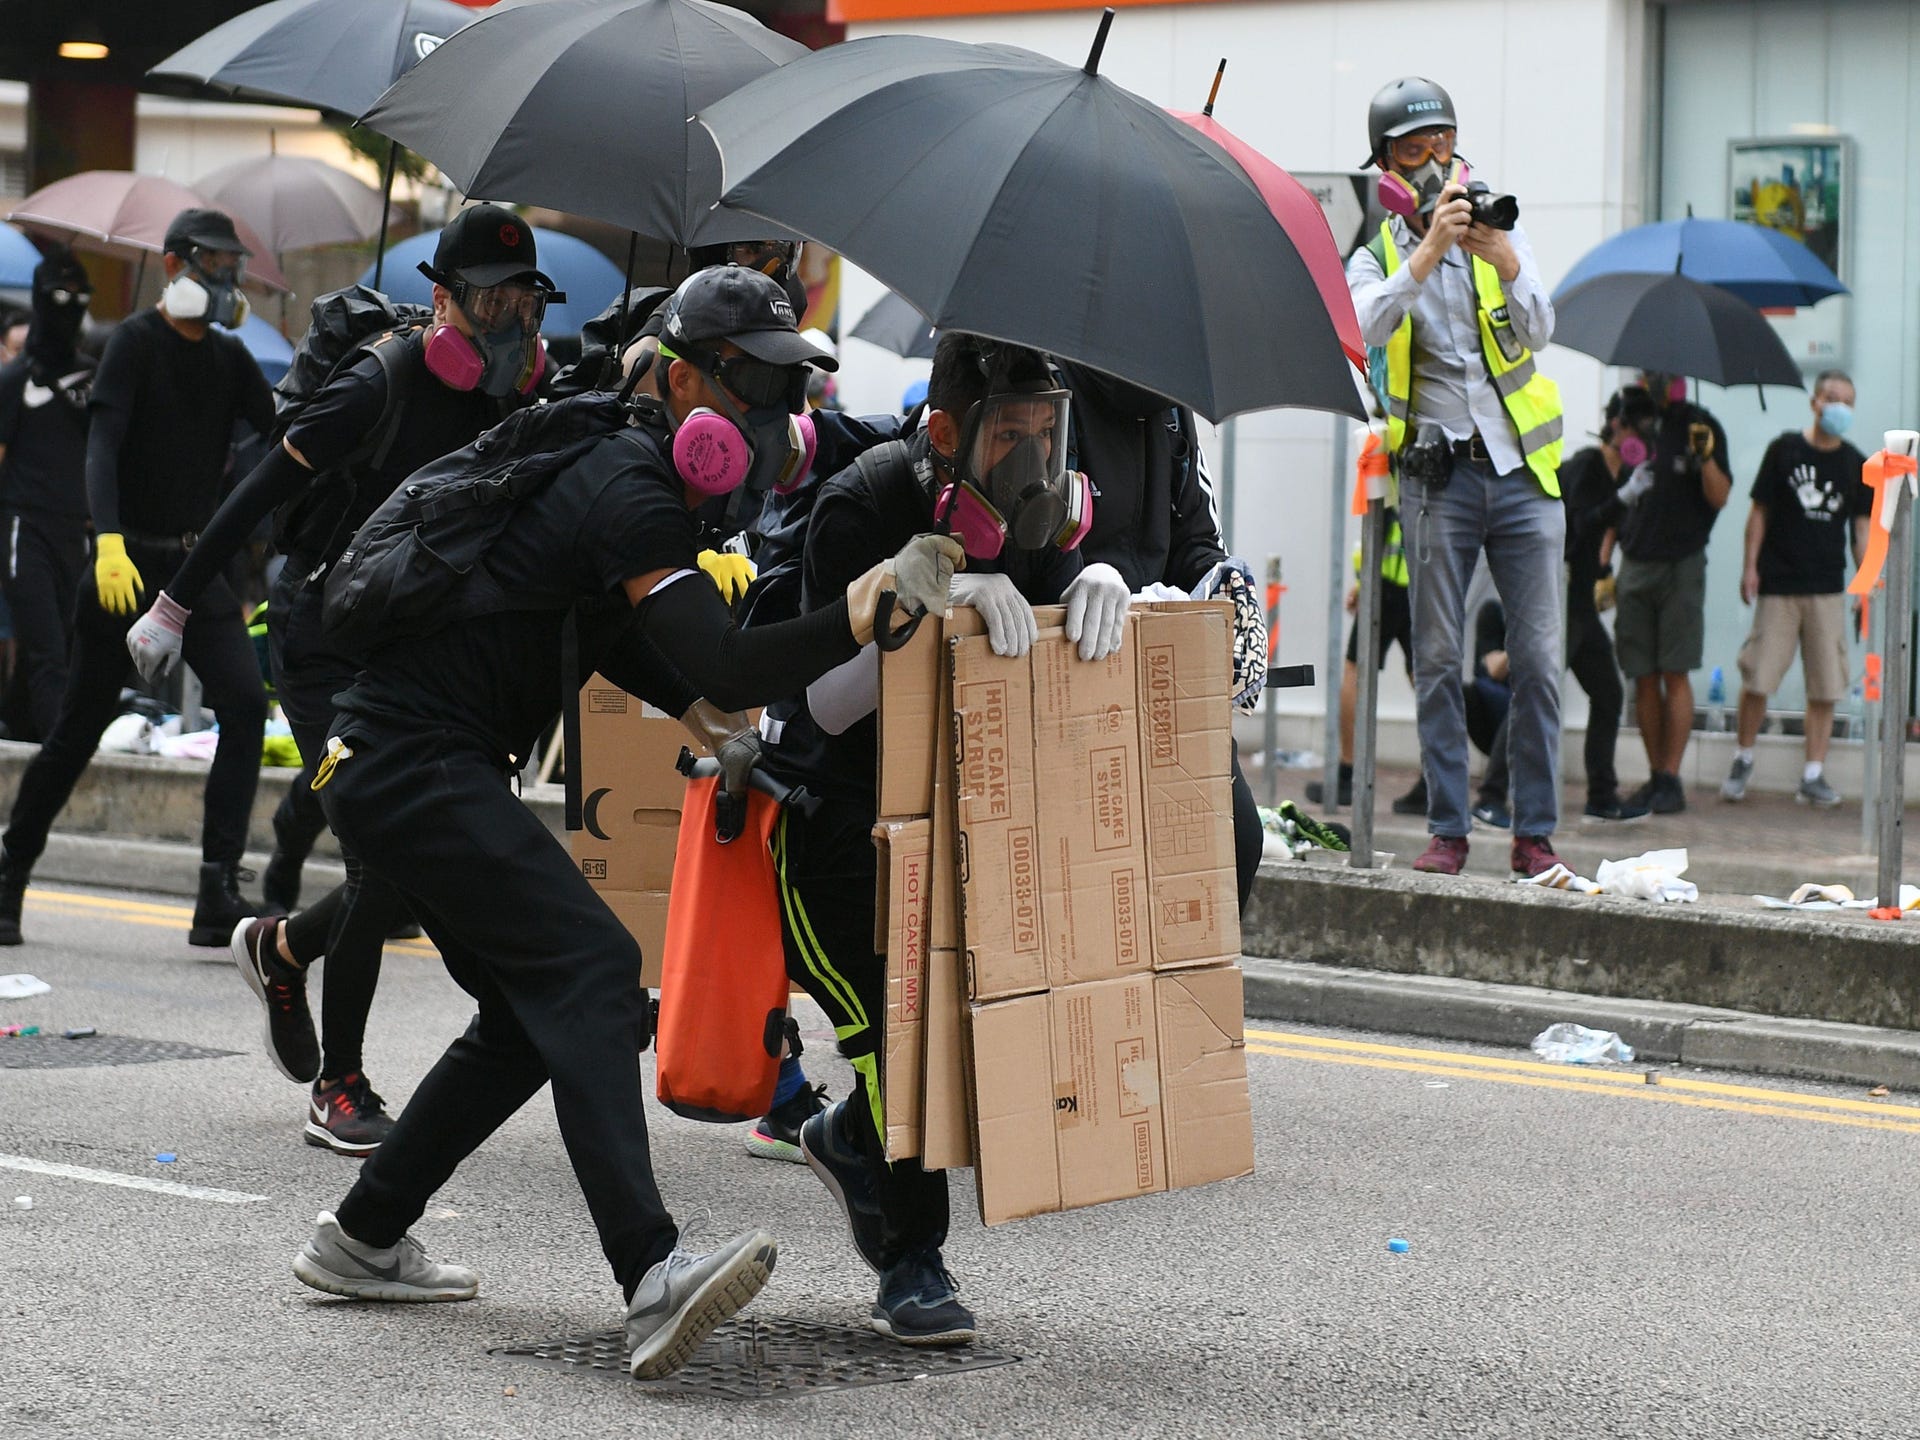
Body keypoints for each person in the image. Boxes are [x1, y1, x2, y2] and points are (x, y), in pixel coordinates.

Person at [283, 263, 963, 1380]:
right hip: (412, 762)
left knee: (520, 1018)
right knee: (597, 969)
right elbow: (730, 651)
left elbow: (596, 627)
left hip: (403, 763)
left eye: (790, 392)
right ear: (687, 380)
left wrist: (698, 709)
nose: (775, 418)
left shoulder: (618, 460)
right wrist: (852, 610)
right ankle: (651, 1275)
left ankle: (361, 1236)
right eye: (752, 388)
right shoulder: (631, 480)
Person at [126, 205, 556, 1154]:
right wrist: (176, 604)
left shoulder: (528, 395)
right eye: (491, 300)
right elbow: (257, 494)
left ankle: (283, 950)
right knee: (382, 856)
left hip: (422, 647)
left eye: (526, 301)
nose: (510, 321)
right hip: (324, 635)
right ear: (443, 300)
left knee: (418, 866)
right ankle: (340, 1086)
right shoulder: (382, 383)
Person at [763, 333, 1126, 1347]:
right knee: (897, 1032)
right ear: (944, 431)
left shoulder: (1037, 517)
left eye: (1046, 433)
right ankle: (913, 1262)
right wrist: (929, 603)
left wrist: (1104, 578)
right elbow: (826, 708)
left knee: (974, 1032)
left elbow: (1053, 645)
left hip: (953, 820)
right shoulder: (863, 501)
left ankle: (844, 1143)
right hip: (830, 823)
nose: (1031, 456)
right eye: (1009, 433)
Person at [0, 209, 274, 947]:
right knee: (77, 731)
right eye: (212, 264)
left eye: (231, 265)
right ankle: (10, 871)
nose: (225, 279)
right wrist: (110, 542)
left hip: (196, 566)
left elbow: (279, 435)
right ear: (173, 265)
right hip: (126, 569)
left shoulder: (228, 357)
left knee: (246, 705)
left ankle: (217, 889)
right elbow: (102, 449)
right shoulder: (132, 344)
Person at [1345, 77, 1567, 878]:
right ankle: (1448, 828)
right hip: (1437, 480)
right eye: (1416, 148)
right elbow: (1361, 326)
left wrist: (1503, 259)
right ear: (1388, 167)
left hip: (1522, 474)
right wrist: (1428, 251)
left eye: (1443, 141)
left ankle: (1534, 832)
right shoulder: (1377, 252)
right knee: (1437, 660)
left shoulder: (1498, 227)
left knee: (1540, 658)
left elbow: (1542, 328)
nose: (1437, 159)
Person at [1057, 359, 1265, 909]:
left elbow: (1195, 536)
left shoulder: (1172, 407)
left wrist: (1222, 579)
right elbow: (1030, 536)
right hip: (1066, 655)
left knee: (1238, 833)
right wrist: (1085, 576)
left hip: (1157, 666)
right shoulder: (1048, 385)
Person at [1475, 387, 1654, 826]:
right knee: (1533, 689)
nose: (1640, 438)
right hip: (1556, 597)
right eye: (1635, 427)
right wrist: (1623, 499)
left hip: (1580, 604)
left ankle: (1602, 795)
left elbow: (1604, 536)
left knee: (1608, 693)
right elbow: (1573, 529)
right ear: (1616, 425)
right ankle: (1491, 795)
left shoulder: (1617, 478)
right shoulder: (1587, 467)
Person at [1722, 370, 1868, 806]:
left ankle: (1813, 773)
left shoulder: (1855, 464)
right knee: (1759, 676)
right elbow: (1759, 513)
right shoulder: (1784, 450)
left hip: (1827, 587)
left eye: (1846, 400)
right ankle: (1743, 757)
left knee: (1826, 684)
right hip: (1779, 584)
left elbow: (1860, 531)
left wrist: (1865, 586)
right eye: (1830, 397)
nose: (1837, 406)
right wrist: (1750, 566)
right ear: (1814, 402)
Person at [1611, 372, 1731, 814]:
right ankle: (1655, 774)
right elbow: (1612, 489)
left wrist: (1706, 458)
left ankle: (1671, 778)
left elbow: (1720, 497)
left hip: (1682, 562)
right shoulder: (1629, 418)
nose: (1658, 379)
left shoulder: (1702, 424)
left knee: (1674, 671)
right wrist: (1605, 562)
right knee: (1642, 673)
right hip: (1636, 560)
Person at [0, 249, 95, 741]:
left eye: (80, 298)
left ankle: (16, 727)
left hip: (75, 531)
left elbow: (105, 449)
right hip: (24, 529)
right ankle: (62, 757)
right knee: (46, 650)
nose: (70, 307)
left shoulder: (92, 377)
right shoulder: (14, 380)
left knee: (63, 640)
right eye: (60, 298)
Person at [1305, 507, 1413, 809]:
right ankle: (1437, 782)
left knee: (1355, 669)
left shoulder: (1391, 459)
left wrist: (1369, 579)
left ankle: (1348, 774)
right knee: (1427, 677)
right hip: (1422, 576)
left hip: (1389, 579)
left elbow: (1386, 503)